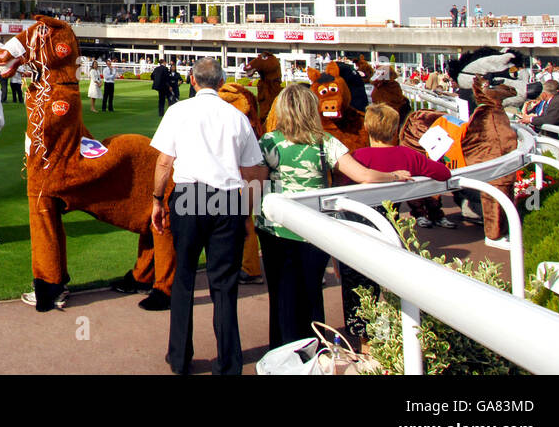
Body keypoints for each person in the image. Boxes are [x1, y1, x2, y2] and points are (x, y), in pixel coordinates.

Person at [254, 90, 412, 352]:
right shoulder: (324, 141)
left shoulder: (269, 142)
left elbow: (256, 187)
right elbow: (364, 175)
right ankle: (316, 353)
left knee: (281, 298)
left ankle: (282, 356)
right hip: (316, 231)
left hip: (275, 231)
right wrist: (394, 176)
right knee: (312, 295)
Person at [150, 58, 268, 375]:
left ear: (192, 80)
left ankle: (179, 358)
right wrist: (248, 211)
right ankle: (228, 362)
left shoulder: (178, 111)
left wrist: (157, 200)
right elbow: (255, 171)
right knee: (224, 286)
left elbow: (164, 163)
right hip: (226, 199)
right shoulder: (236, 116)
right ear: (221, 81)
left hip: (189, 196)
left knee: (185, 278)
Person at [340, 104, 452, 344]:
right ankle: (384, 341)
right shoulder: (408, 156)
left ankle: (365, 343)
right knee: (386, 285)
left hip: (357, 228)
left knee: (357, 285)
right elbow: (443, 174)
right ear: (395, 129)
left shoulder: (358, 157)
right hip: (388, 227)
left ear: (367, 127)